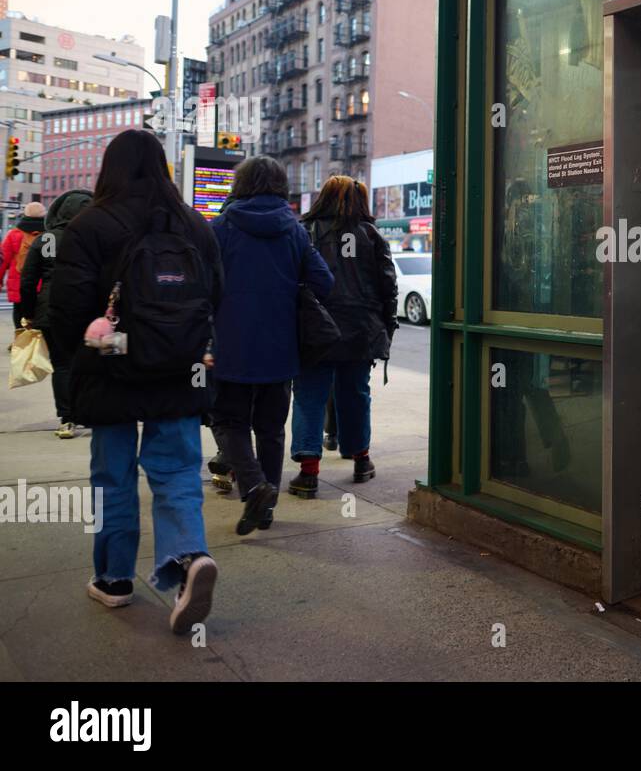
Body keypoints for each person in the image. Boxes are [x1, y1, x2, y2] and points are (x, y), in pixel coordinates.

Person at [48, 129, 223, 634]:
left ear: (110, 168)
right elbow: (218, 296)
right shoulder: (194, 225)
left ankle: (114, 580)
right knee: (177, 473)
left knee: (113, 478)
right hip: (178, 371)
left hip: (111, 370)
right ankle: (190, 559)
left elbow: (67, 309)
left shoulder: (90, 224)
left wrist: (79, 362)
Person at [209, 157, 332, 534]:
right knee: (271, 429)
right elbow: (324, 282)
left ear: (239, 184)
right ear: (280, 185)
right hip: (281, 348)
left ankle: (254, 486)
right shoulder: (294, 230)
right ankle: (266, 508)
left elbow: (203, 283)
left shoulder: (220, 228)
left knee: (228, 421)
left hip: (230, 346)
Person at [288, 176, 397, 497]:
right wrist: (385, 329)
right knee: (356, 395)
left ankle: (308, 474)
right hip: (360, 331)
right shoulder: (372, 235)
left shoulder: (305, 232)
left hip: (315, 331)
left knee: (309, 397)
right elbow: (388, 287)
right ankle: (361, 460)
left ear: (323, 198)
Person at [19, 188, 93, 437]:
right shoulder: (92, 238)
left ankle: (67, 419)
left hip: (51, 310)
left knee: (61, 365)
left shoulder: (47, 239)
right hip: (87, 310)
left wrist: (28, 313)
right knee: (87, 364)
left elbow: (28, 281)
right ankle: (87, 412)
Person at [1, 201, 47, 333]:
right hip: (41, 283)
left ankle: (20, 341)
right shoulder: (48, 235)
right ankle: (37, 342)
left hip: (19, 282)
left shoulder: (13, 234)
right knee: (40, 313)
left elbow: (3, 260)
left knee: (19, 311)